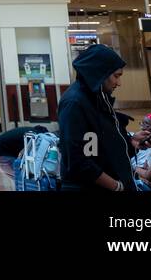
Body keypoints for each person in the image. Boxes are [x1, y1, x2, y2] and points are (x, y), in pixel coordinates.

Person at [56, 43, 134, 192]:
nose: (119, 83)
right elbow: (76, 158)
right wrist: (115, 185)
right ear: (100, 73)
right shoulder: (74, 103)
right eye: (116, 76)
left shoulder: (96, 97)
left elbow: (97, 140)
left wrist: (130, 141)